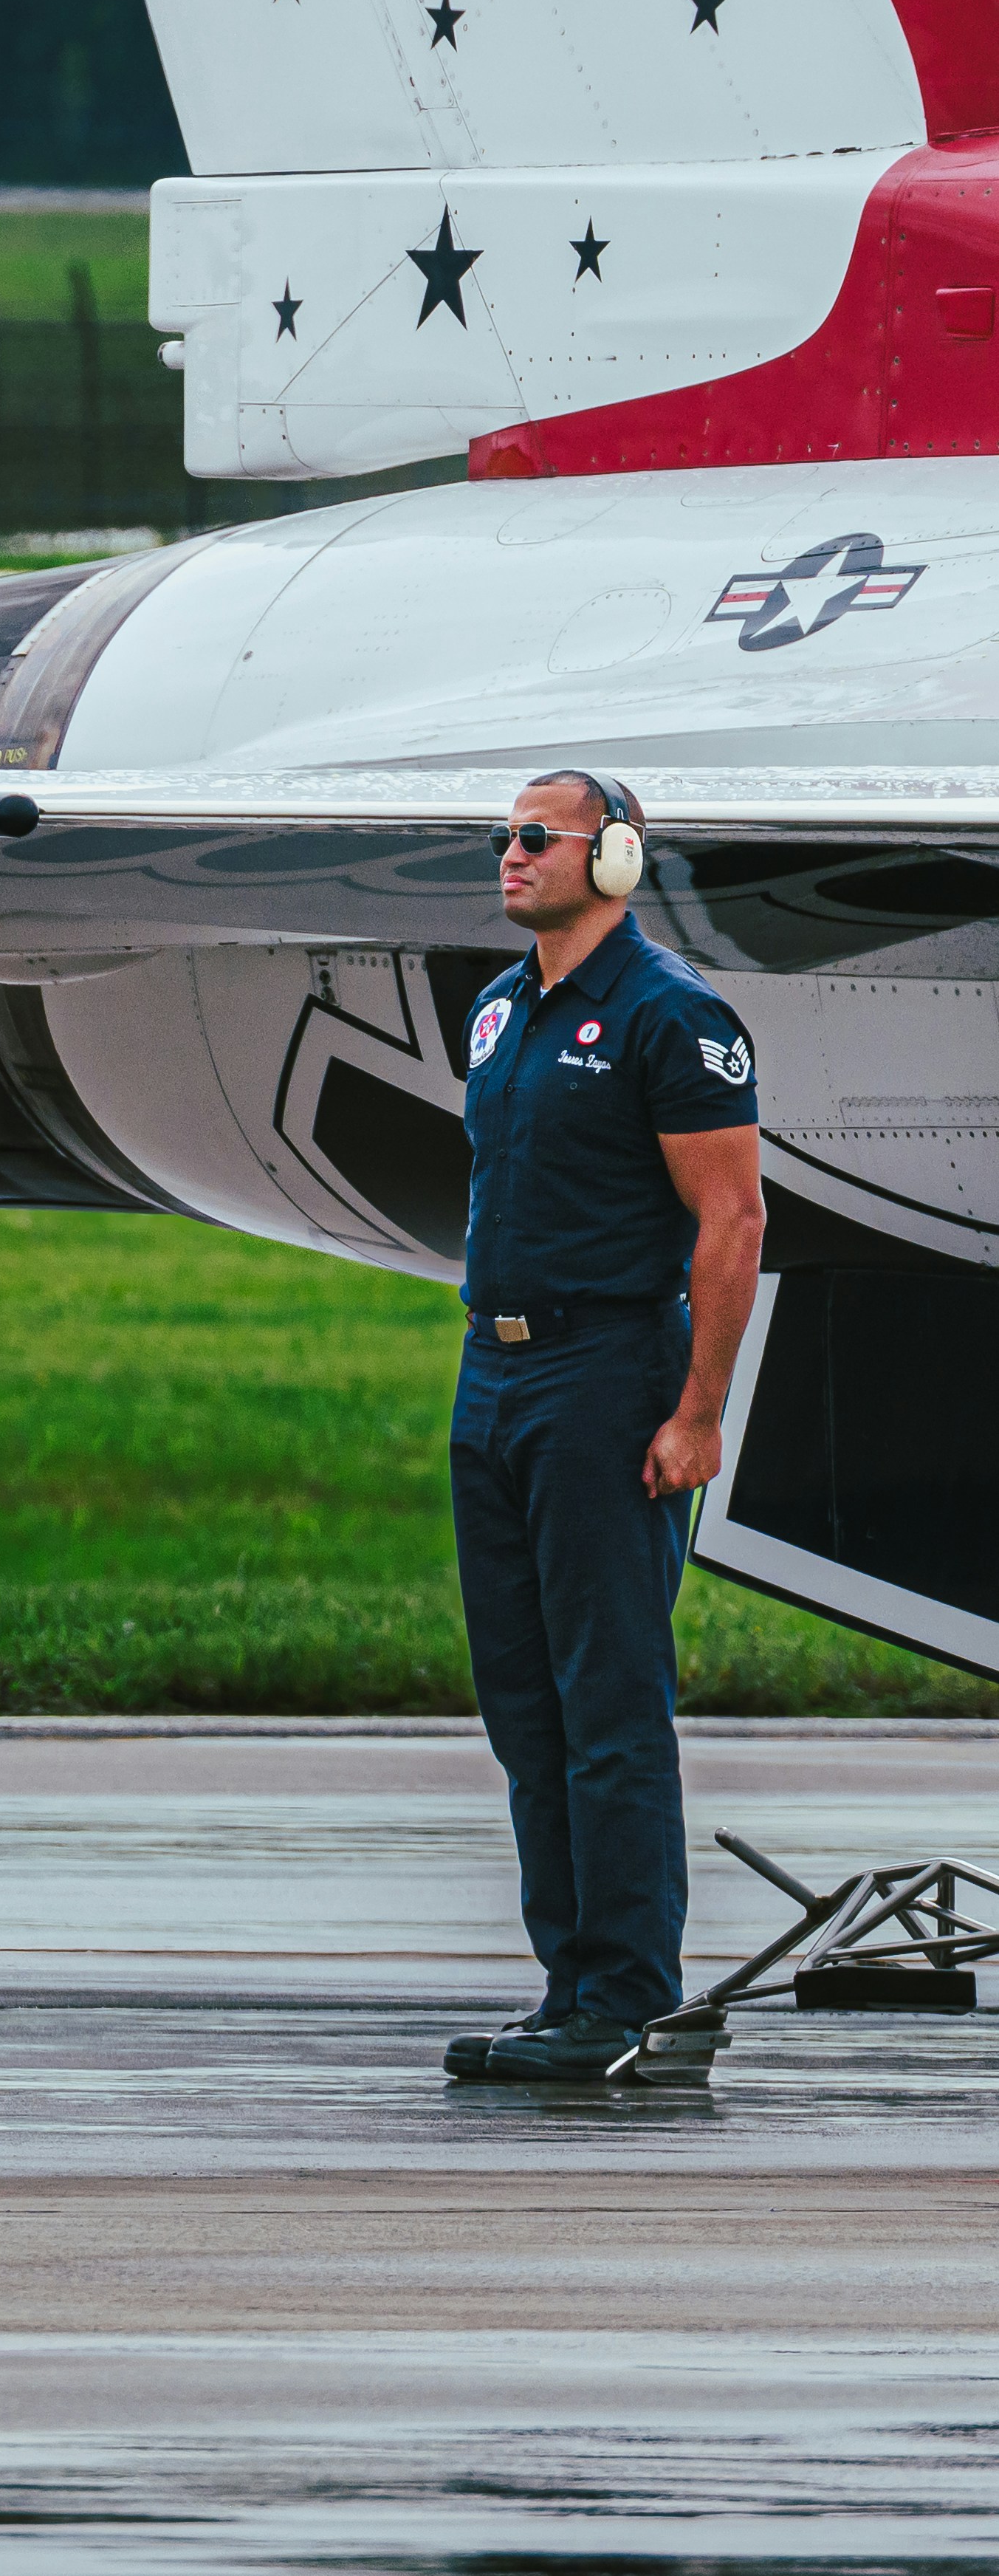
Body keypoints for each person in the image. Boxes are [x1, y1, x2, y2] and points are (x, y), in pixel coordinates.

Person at [439, 767, 763, 2083]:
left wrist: (696, 1410)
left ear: (613, 857)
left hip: (604, 1373)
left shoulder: (669, 1017)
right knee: (521, 1702)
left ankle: (630, 1998)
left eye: (536, 837)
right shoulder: (498, 1007)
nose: (507, 855)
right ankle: (563, 1984)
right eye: (501, 836)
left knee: (606, 1695)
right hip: (492, 1372)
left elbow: (730, 1221)